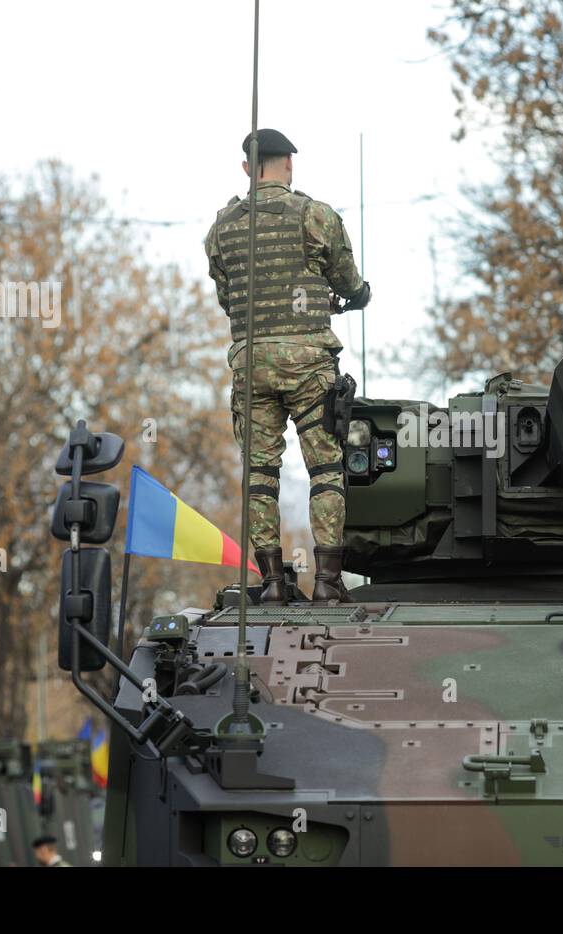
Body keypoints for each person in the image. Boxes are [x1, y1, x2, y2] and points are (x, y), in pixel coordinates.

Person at [204, 128, 370, 603]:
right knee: (325, 468)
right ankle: (327, 580)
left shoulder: (221, 229)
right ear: (290, 164)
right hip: (309, 366)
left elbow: (228, 297)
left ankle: (273, 582)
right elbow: (347, 279)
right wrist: (359, 296)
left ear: (245, 169)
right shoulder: (315, 216)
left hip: (251, 366)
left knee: (259, 475)